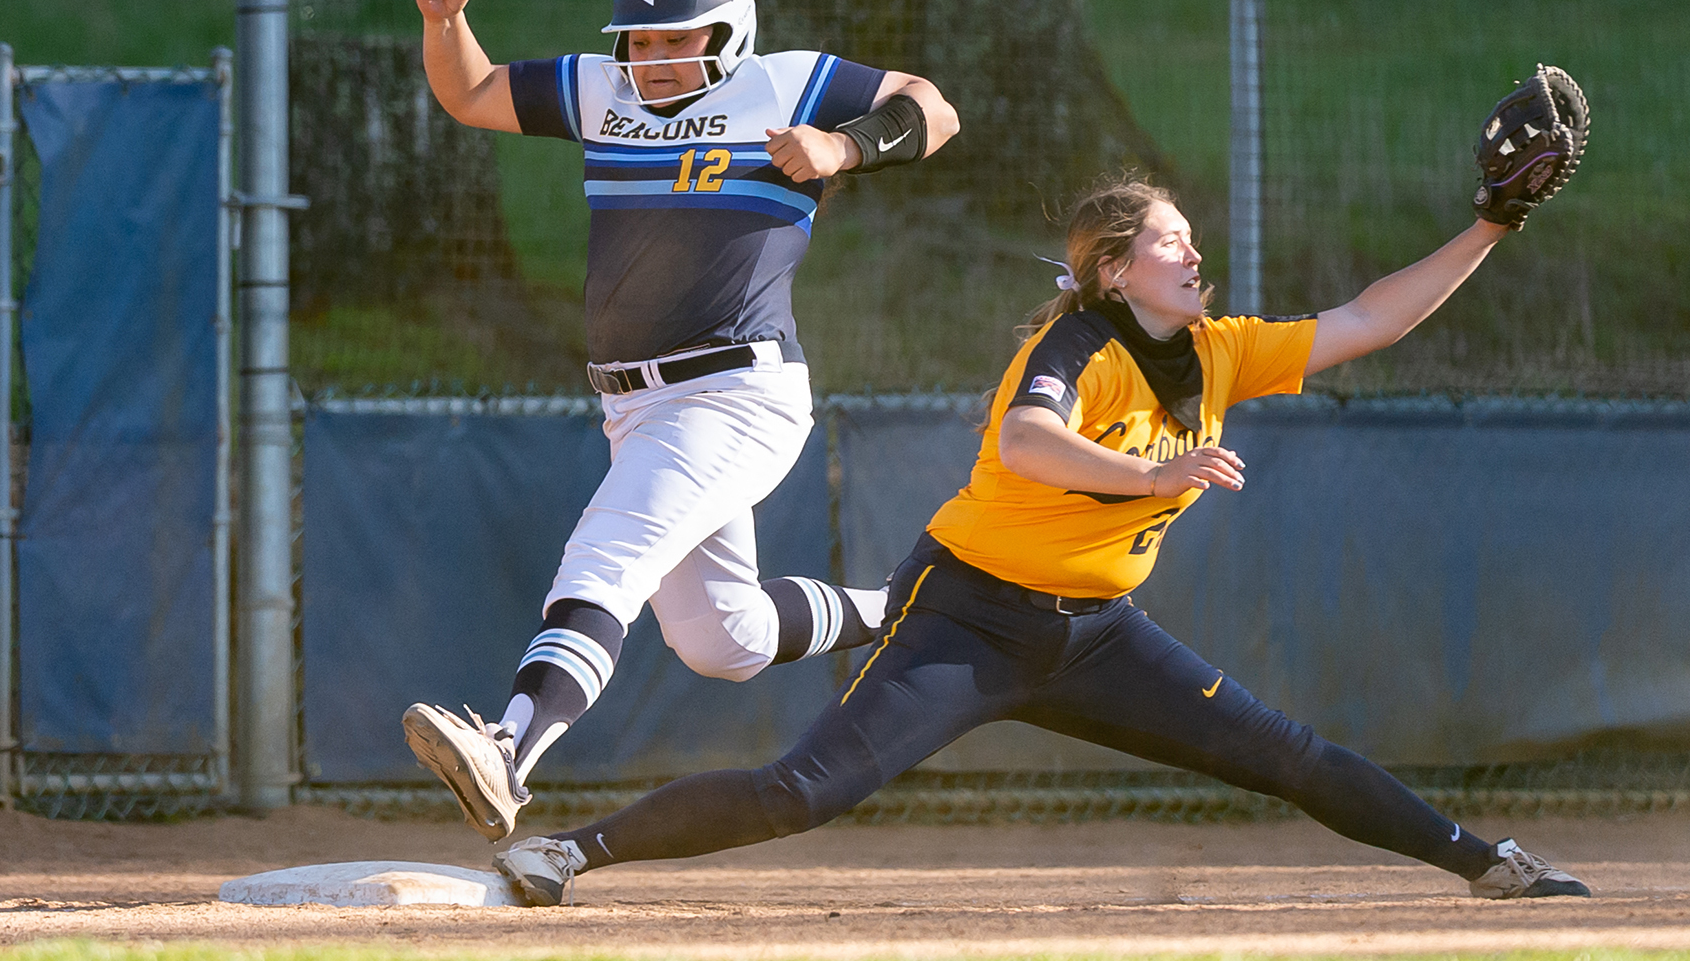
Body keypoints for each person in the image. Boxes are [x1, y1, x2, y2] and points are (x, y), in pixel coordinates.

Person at [484, 67, 1595, 905]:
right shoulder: (1074, 348)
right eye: (1171, 242)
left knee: (1286, 756)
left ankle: (1486, 864)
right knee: (800, 793)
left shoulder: (1224, 350)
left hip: (1096, 635)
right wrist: (1151, 471)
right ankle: (570, 851)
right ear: (1115, 270)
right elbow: (1029, 446)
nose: (1194, 254)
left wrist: (1493, 221)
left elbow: (1370, 316)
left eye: (1191, 237)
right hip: (966, 616)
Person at [399, 0, 961, 842]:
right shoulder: (603, 90)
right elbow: (471, 93)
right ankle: (923, 607)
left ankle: (509, 746)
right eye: (641, 42)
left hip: (736, 390)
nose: (653, 60)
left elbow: (935, 108)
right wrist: (445, 23)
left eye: (675, 41)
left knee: (606, 553)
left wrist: (841, 145)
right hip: (635, 405)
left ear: (727, 34)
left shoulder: (784, 84)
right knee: (720, 639)